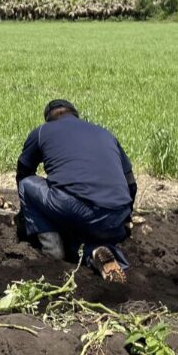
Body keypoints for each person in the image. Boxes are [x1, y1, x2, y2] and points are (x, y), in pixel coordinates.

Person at [16, 99, 136, 283]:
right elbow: (131, 184)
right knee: (82, 231)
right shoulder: (105, 133)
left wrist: (25, 216)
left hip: (76, 209)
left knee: (27, 184)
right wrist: (125, 219)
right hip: (117, 214)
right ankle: (96, 252)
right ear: (75, 115)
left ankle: (53, 252)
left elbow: (24, 172)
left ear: (48, 119)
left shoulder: (42, 132)